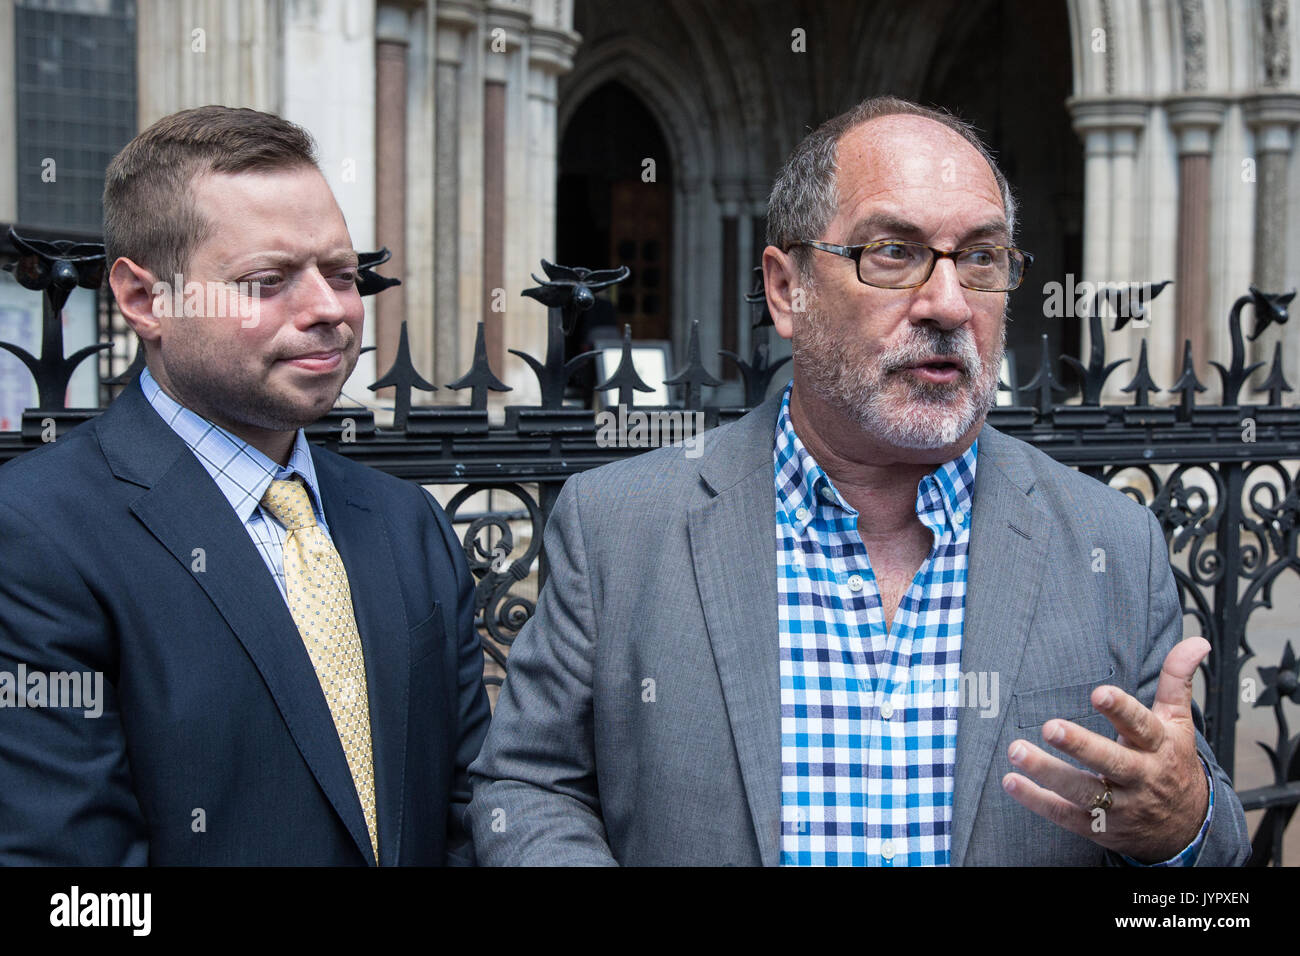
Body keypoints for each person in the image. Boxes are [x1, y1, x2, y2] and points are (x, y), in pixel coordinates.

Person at [466, 96, 1251, 866]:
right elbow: (528, 786)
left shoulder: (1114, 543)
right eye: (894, 253)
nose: (948, 302)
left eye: (981, 258)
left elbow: (1208, 849)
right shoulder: (618, 528)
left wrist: (1180, 828)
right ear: (787, 290)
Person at [0, 106, 489, 865]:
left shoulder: (407, 522)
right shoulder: (35, 535)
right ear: (143, 299)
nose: (329, 309)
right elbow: (71, 875)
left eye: (342, 273)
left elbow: (470, 800)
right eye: (267, 281)